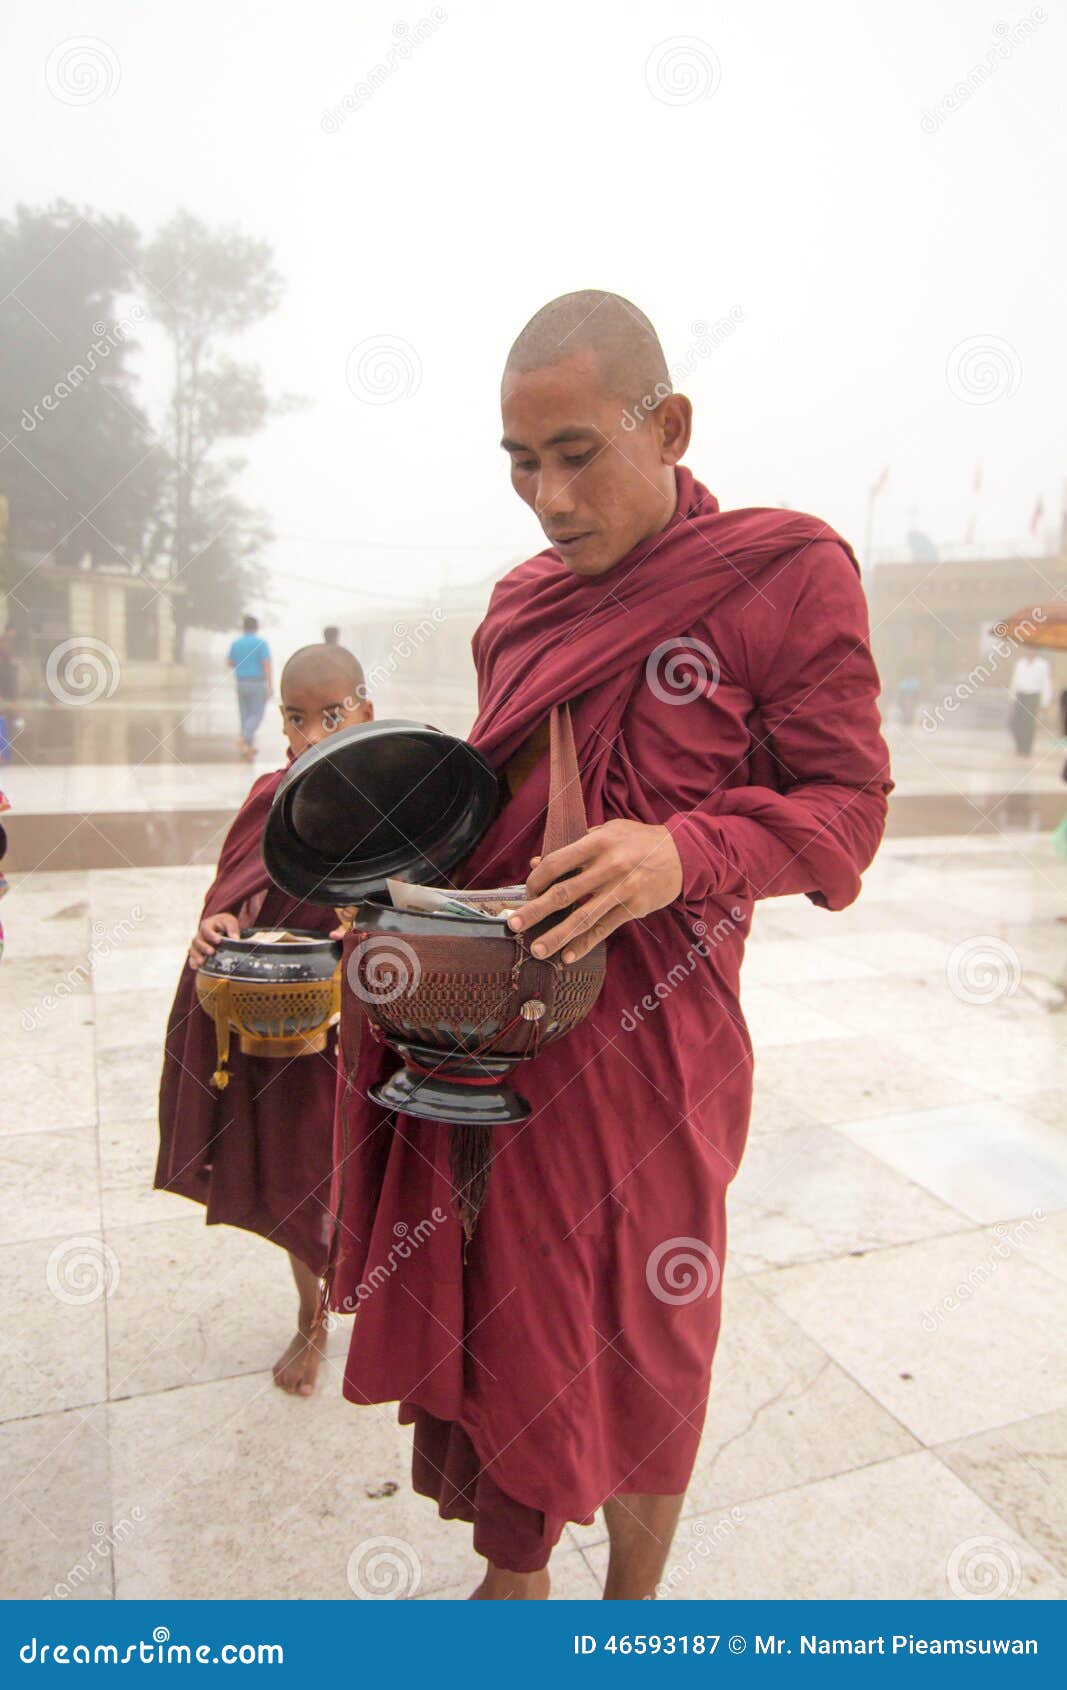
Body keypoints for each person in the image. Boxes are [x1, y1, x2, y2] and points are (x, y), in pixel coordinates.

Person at [325, 291, 892, 1597]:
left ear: (668, 426)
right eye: (521, 464)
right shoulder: (518, 603)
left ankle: (630, 1599)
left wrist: (680, 852)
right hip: (500, 1021)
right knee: (502, 1290)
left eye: (574, 452)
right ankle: (514, 1568)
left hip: (659, 1040)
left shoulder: (781, 572)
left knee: (648, 1317)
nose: (546, 496)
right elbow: (497, 806)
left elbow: (846, 812)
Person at [157, 643, 372, 1396]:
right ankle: (312, 1315)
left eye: (331, 715)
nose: (312, 734)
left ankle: (396, 1310)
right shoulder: (268, 794)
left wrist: (366, 929)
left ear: (364, 712)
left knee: (380, 1173)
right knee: (302, 1171)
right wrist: (214, 926)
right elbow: (236, 893)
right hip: (284, 1018)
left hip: (370, 1023)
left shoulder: (395, 799)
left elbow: (425, 900)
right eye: (296, 717)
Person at [228, 615, 273, 762]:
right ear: (256, 627)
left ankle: (247, 747)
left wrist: (242, 666)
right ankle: (244, 737)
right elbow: (266, 664)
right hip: (257, 683)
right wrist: (270, 685)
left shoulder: (236, 644)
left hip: (241, 682)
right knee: (257, 714)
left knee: (245, 715)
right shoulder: (261, 644)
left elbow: (230, 662)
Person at [1008, 650, 1052, 755]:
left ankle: (1026, 749)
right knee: (1016, 723)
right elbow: (1014, 681)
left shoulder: (1042, 665)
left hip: (1033, 696)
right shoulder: (1020, 664)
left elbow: (1046, 683)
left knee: (1029, 724)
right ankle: (1019, 747)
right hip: (1021, 695)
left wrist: (1045, 702)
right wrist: (1012, 697)